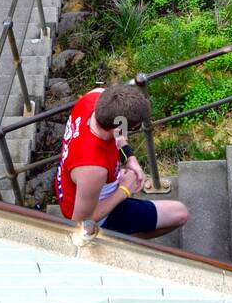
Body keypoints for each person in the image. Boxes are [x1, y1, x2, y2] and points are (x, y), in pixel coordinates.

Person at [55, 83, 189, 239]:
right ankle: (123, 244)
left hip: (72, 186)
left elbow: (118, 133)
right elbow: (80, 221)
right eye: (132, 127)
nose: (129, 131)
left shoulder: (95, 96)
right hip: (91, 208)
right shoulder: (93, 168)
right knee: (180, 213)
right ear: (117, 126)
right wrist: (124, 190)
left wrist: (129, 158)